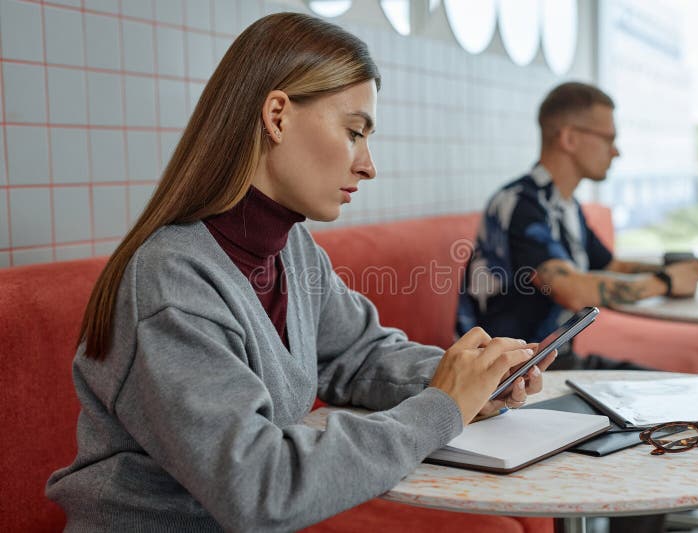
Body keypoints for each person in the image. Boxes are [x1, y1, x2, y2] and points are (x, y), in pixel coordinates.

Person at [45, 13, 556, 532]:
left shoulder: (292, 249)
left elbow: (360, 355)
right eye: (354, 132)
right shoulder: (171, 282)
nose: (368, 165)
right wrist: (441, 407)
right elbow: (260, 487)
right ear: (277, 116)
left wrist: (474, 376)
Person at [457, 81, 698, 371]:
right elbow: (572, 290)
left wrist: (695, 267)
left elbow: (611, 266)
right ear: (569, 139)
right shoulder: (519, 204)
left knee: (679, 390)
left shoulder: (564, 206)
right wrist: (666, 283)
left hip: (552, 364)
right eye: (608, 139)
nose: (615, 151)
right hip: (509, 377)